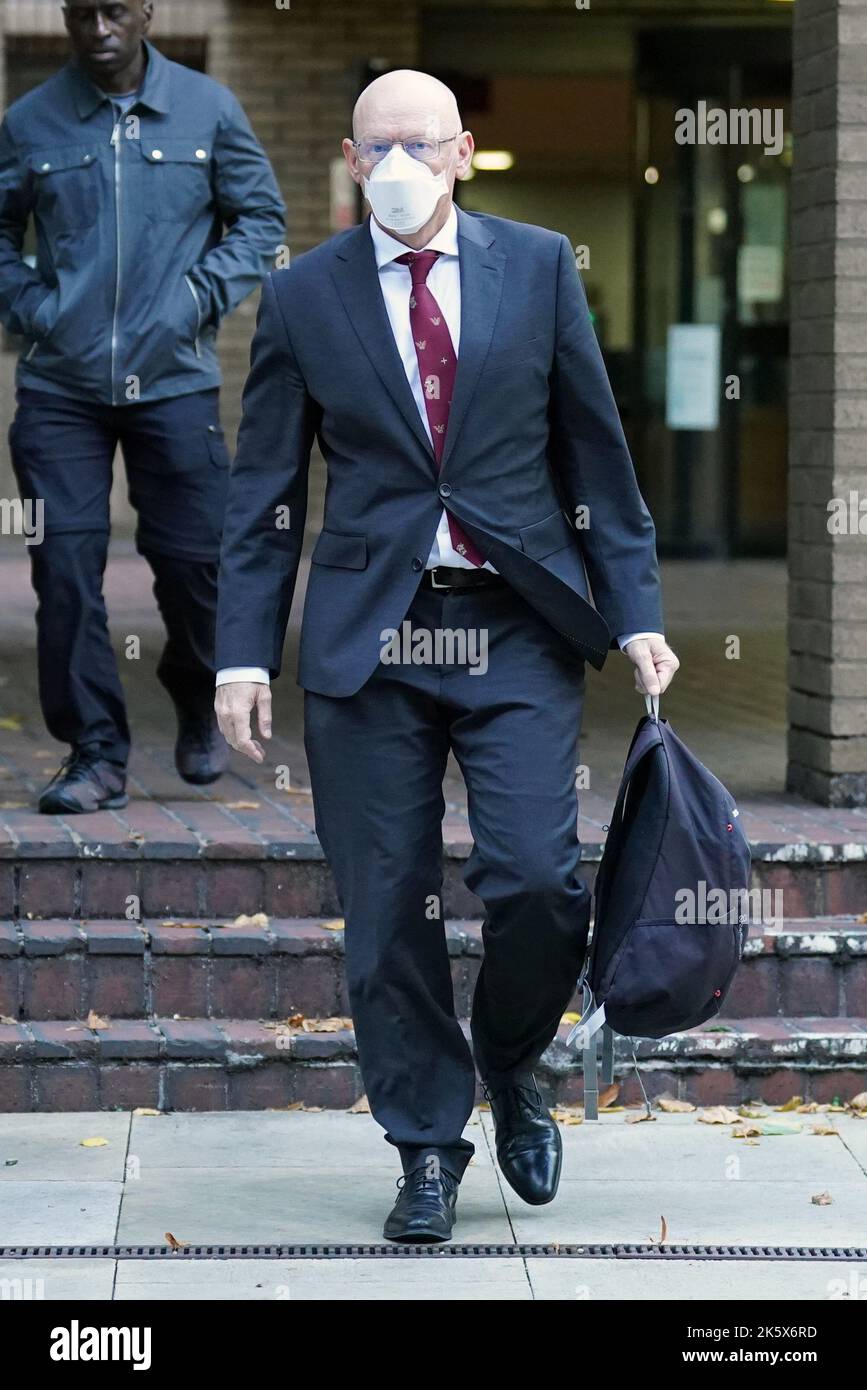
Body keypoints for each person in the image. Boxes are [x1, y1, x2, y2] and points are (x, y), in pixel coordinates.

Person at [215, 70, 679, 1243]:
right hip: (370, 641)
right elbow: (263, 491)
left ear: (465, 152)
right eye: (378, 149)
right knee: (385, 908)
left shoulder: (536, 269)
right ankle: (425, 1143)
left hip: (514, 621)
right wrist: (237, 657)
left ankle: (512, 1056)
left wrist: (634, 613)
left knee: (536, 879)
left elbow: (596, 456)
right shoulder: (307, 296)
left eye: (420, 143)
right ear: (349, 160)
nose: (399, 166)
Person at [0, 1, 285, 812]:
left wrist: (196, 297)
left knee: (197, 564)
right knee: (64, 568)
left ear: (147, 12)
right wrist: (33, 308)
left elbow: (261, 219)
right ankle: (94, 751)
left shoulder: (208, 108)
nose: (99, 29)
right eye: (83, 13)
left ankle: (197, 695)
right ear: (65, 15)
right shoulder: (31, 121)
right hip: (61, 386)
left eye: (115, 11)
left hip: (175, 380)